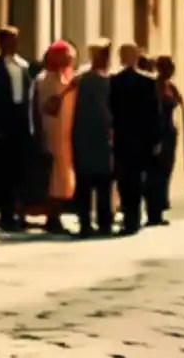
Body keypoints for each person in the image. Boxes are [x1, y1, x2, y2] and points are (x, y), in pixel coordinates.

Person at [0, 26, 35, 232]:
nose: (13, 44)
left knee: (21, 170)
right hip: (2, 125)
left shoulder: (24, 66)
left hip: (21, 123)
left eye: (16, 40)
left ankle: (19, 211)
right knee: (4, 172)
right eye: (9, 40)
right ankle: (6, 213)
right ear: (0, 43)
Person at [109, 43, 161, 234]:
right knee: (137, 179)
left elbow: (111, 111)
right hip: (140, 139)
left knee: (125, 180)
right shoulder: (147, 82)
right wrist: (156, 139)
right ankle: (134, 218)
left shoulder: (115, 81)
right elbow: (155, 113)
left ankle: (129, 216)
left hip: (124, 138)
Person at [72, 40, 114, 238]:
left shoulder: (106, 80)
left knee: (100, 181)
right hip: (89, 136)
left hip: (99, 136)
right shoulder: (84, 79)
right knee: (89, 182)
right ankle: (90, 222)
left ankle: (98, 221)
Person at [35, 41, 76, 234]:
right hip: (52, 133)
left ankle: (55, 214)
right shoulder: (45, 80)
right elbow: (50, 106)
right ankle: (52, 216)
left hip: (65, 133)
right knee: (53, 177)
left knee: (62, 176)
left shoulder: (64, 77)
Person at [149, 55, 183, 225]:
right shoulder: (155, 86)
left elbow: (180, 103)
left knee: (165, 171)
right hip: (159, 132)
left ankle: (160, 208)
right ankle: (153, 212)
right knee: (156, 172)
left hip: (170, 133)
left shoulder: (170, 87)